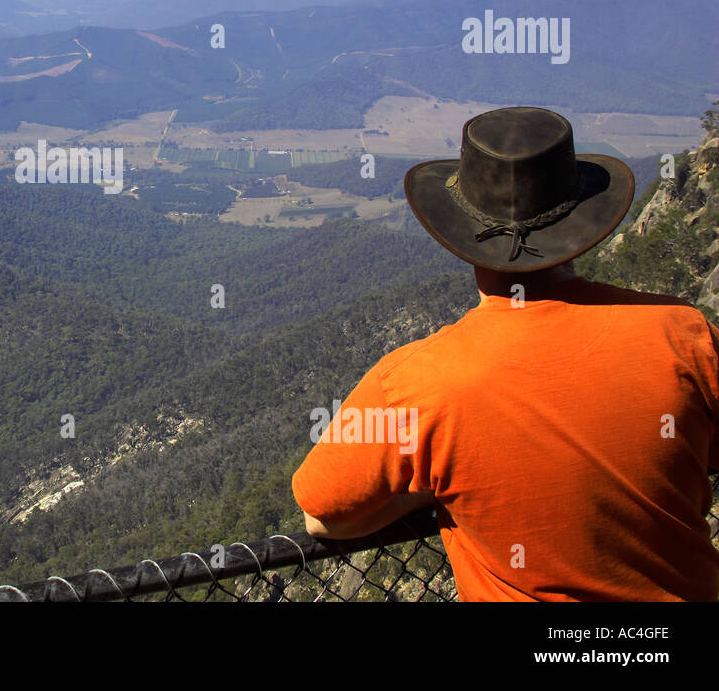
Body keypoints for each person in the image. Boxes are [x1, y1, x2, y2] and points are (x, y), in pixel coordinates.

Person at [290, 106, 719, 601]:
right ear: (579, 225)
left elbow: (322, 515)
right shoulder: (684, 334)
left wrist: (439, 487)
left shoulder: (415, 382)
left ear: (460, 237)